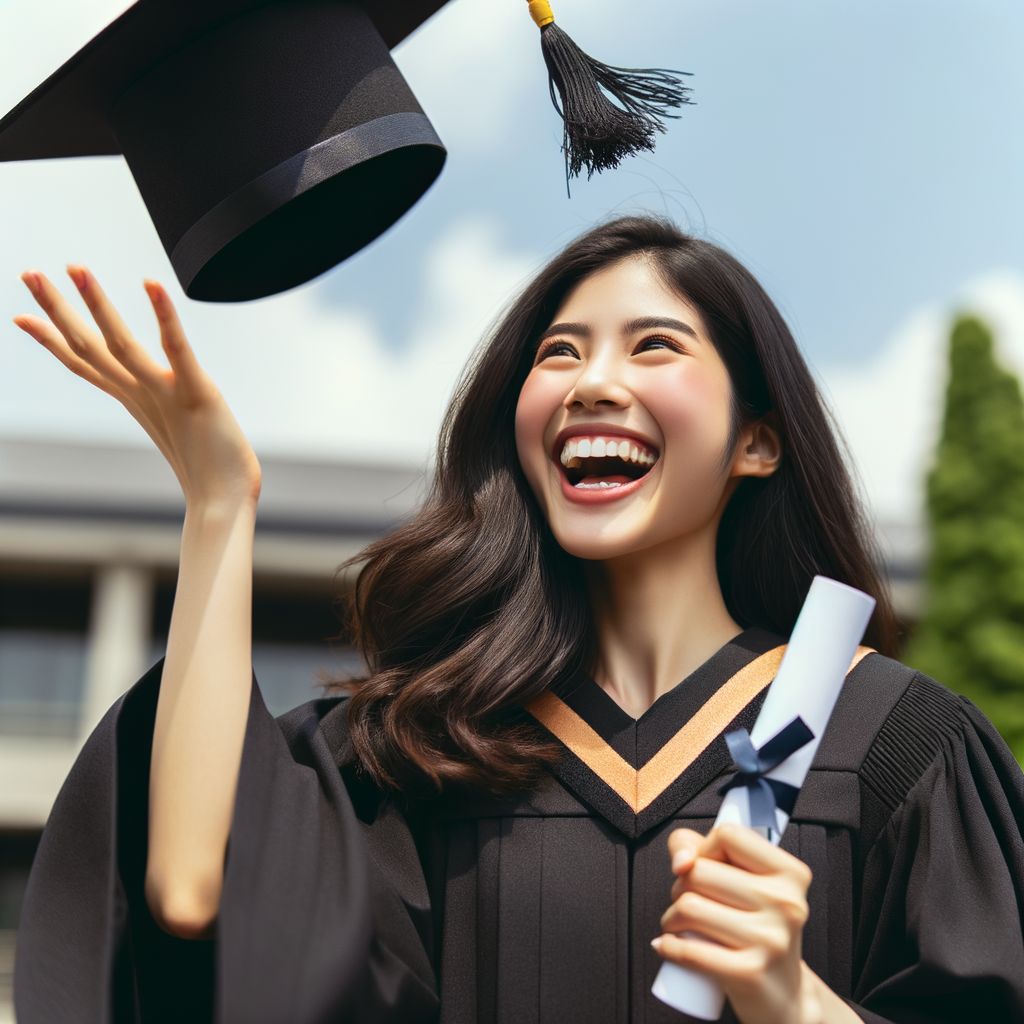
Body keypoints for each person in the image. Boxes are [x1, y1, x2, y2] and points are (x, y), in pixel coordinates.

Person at [11, 214, 1024, 1024]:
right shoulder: (428, 742)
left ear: (755, 442)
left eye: (655, 346)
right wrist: (219, 504)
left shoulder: (897, 744)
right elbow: (195, 895)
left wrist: (793, 1001)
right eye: (559, 354)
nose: (592, 383)